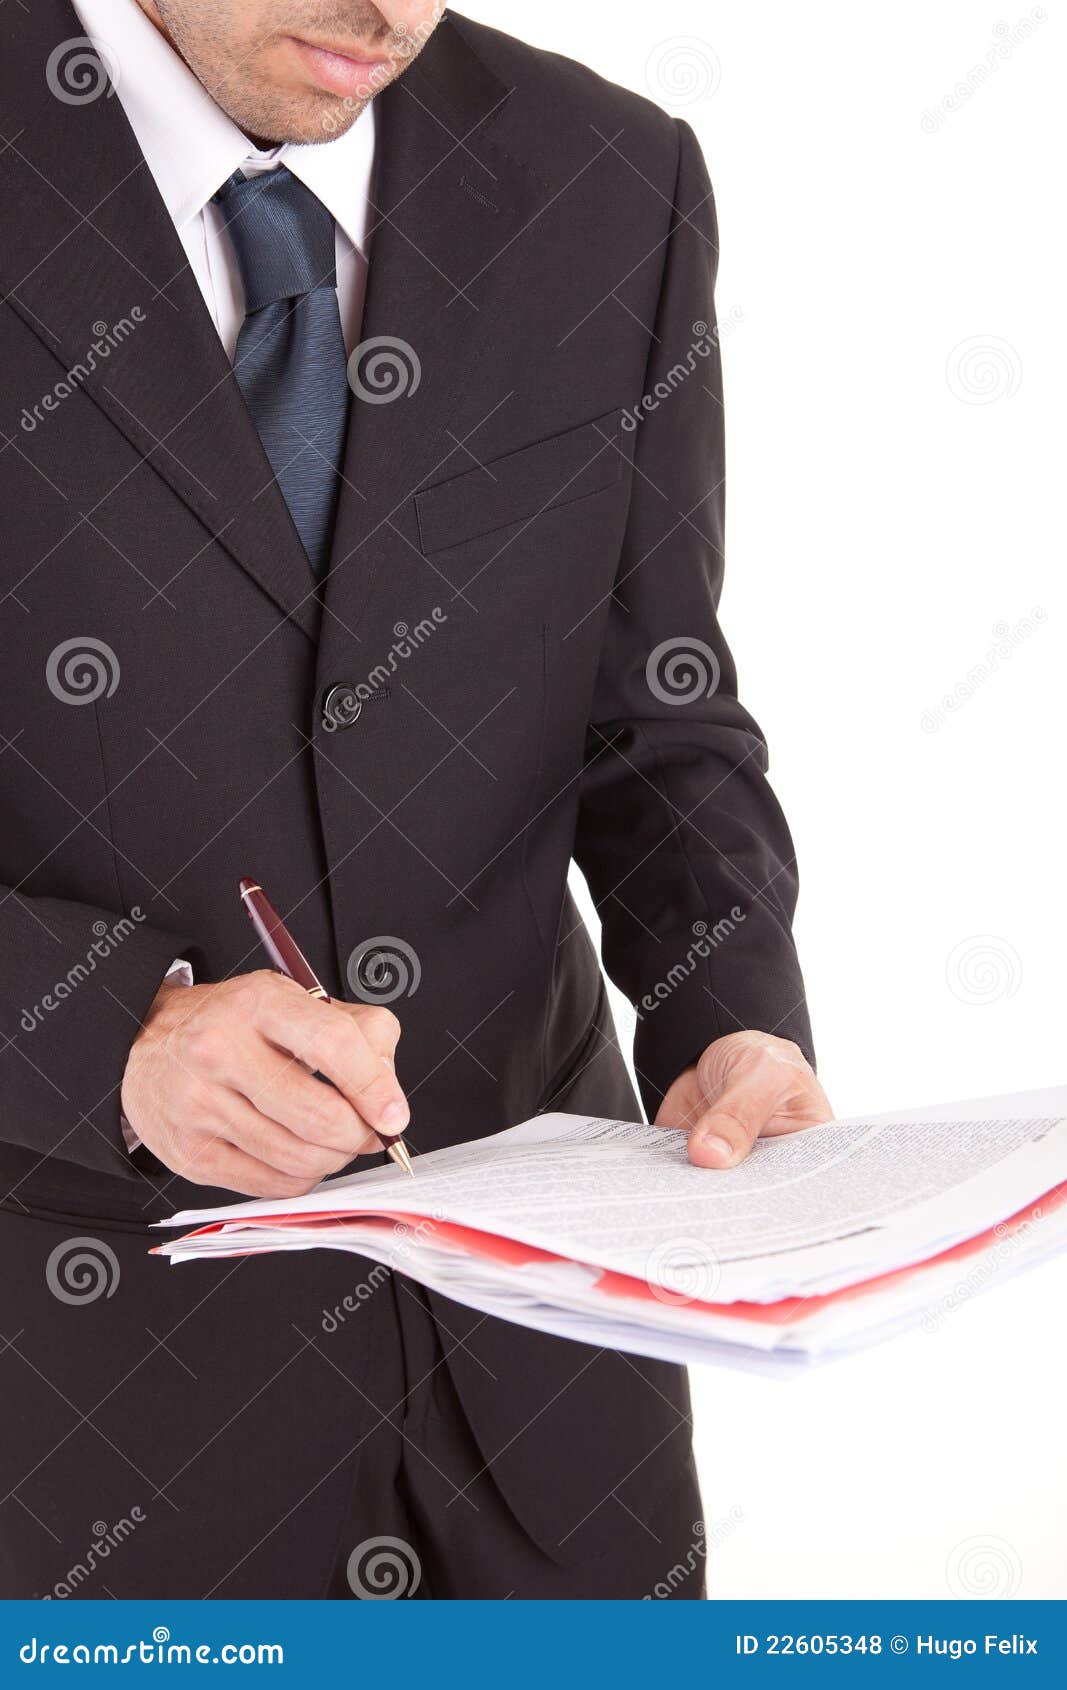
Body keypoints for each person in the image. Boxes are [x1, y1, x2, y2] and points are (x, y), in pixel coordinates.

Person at [0, 0, 830, 1597]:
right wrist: (111, 1039)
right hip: (83, 1414)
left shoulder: (612, 178)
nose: (387, 15)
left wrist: (728, 1012)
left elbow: (657, 710)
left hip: (547, 1400)